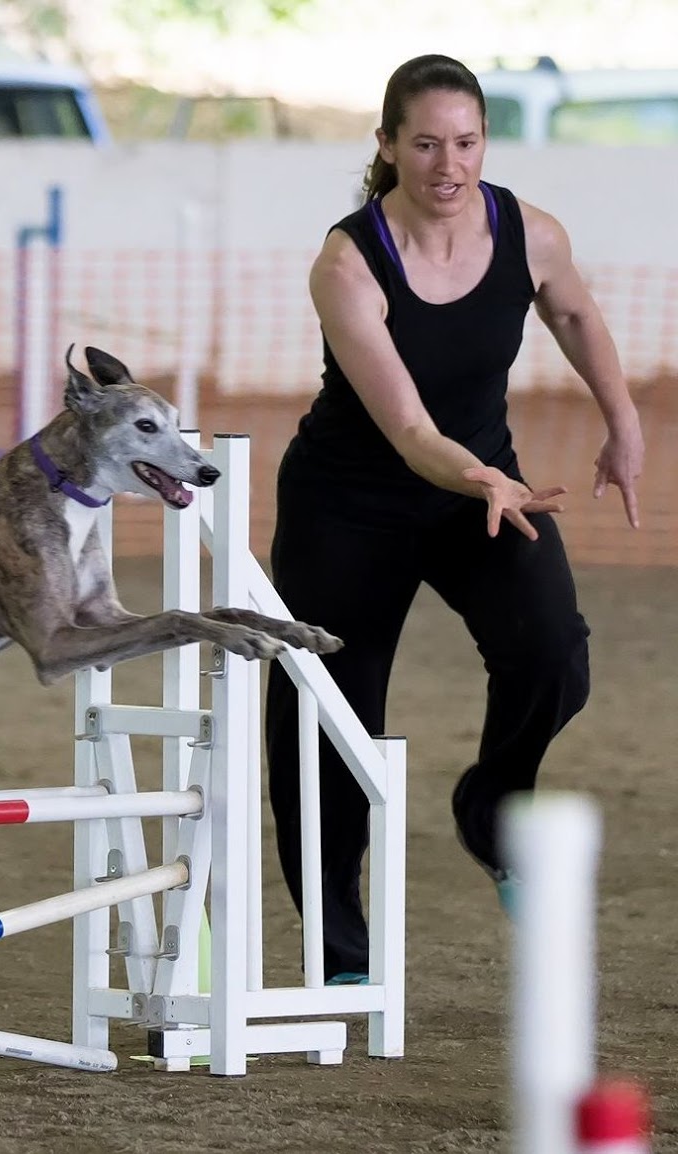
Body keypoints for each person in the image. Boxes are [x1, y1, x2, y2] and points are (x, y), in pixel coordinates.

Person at [264, 54, 644, 985]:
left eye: (466, 142)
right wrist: (479, 477)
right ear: (387, 145)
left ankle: (492, 805)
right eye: (425, 142)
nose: (448, 164)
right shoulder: (348, 262)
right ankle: (341, 949)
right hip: (349, 505)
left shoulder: (529, 231)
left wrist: (622, 421)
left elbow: (576, 316)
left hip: (483, 491)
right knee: (329, 719)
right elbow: (405, 426)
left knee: (554, 652)